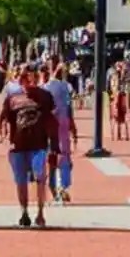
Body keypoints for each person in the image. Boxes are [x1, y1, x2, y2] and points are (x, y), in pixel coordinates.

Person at [0, 65, 59, 227]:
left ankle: (40, 213)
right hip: (18, 146)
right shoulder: (13, 99)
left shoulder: (45, 96)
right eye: (23, 78)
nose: (26, 81)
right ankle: (24, 212)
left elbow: (52, 121)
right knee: (21, 181)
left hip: (38, 145)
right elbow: (4, 119)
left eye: (29, 77)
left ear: (36, 78)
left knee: (40, 177)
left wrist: (54, 147)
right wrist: (4, 138)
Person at [45, 63, 78, 204]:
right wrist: (73, 129)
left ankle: (54, 187)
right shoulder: (66, 87)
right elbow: (69, 108)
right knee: (64, 158)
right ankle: (62, 186)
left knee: (52, 159)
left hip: (50, 126)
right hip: (62, 126)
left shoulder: (45, 87)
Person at [110, 61, 130, 141]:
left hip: (123, 96)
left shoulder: (125, 77)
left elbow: (127, 87)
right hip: (116, 96)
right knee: (115, 115)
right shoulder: (114, 76)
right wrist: (116, 92)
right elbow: (112, 87)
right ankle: (115, 134)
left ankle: (125, 134)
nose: (121, 70)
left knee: (123, 115)